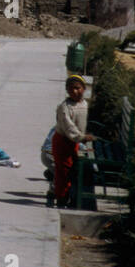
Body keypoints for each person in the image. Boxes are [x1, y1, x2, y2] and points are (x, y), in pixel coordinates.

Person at [50, 75, 95, 208]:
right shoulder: (64, 107)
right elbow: (69, 128)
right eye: (71, 89)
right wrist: (82, 137)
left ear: (84, 89)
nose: (74, 91)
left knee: (70, 170)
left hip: (73, 142)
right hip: (63, 142)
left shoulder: (84, 104)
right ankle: (62, 199)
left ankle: (66, 195)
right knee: (63, 172)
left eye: (77, 88)